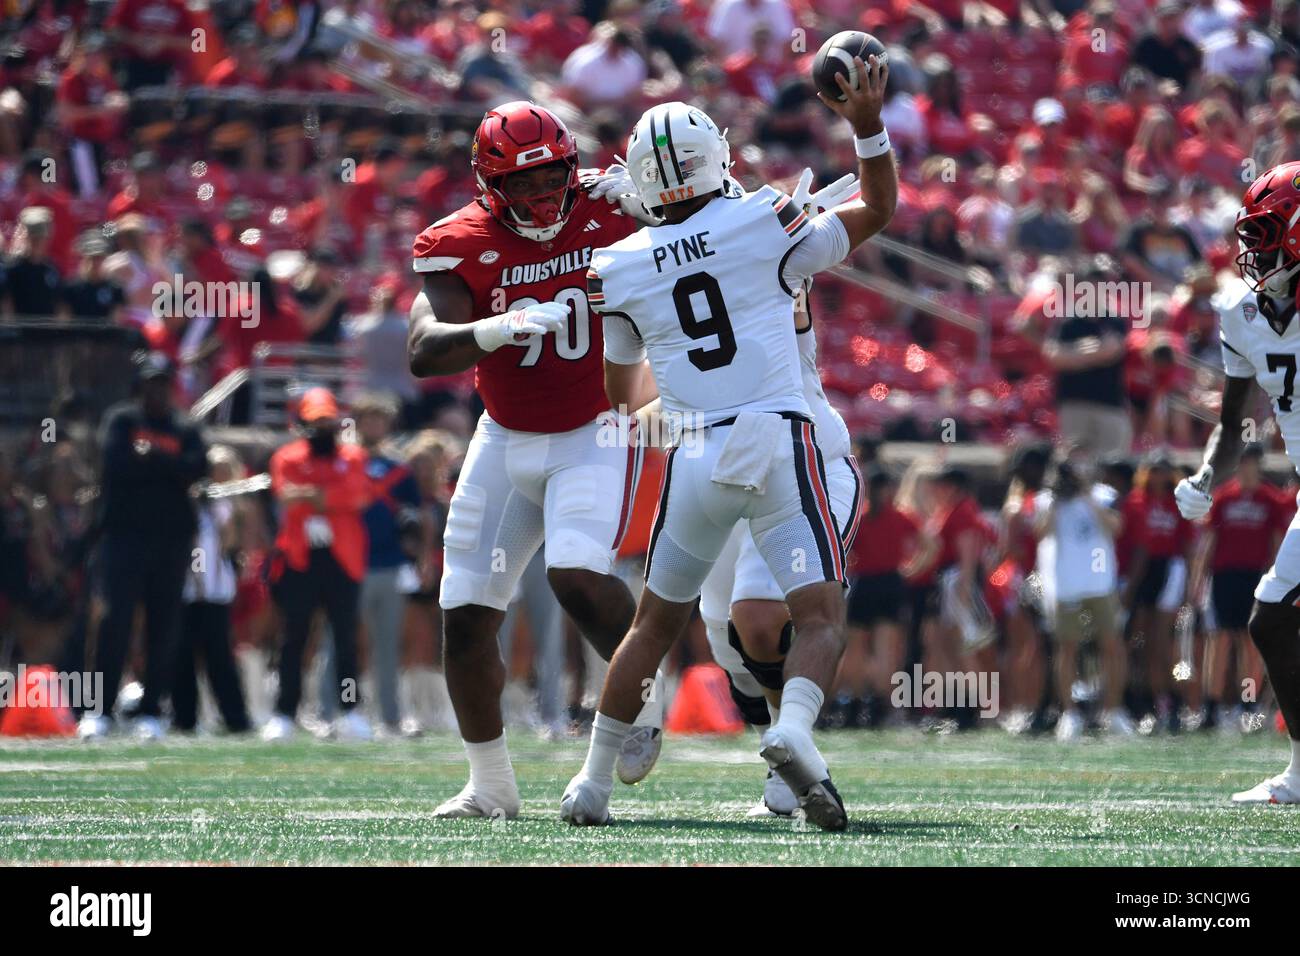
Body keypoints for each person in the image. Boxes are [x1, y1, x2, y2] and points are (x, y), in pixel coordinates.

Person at [563, 52, 896, 830]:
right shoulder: (766, 217)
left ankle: (592, 784)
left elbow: (622, 397)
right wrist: (868, 127)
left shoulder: (615, 266)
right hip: (780, 439)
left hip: (696, 453)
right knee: (817, 616)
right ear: (720, 156)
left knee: (653, 626)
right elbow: (874, 210)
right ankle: (793, 731)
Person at [406, 101, 662, 819]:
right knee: (464, 614)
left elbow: (719, 252)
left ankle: (641, 695)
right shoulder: (457, 241)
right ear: (489, 185)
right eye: (521, 184)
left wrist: (659, 213)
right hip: (506, 434)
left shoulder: (612, 210)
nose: (542, 195)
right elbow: (424, 350)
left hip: (595, 428)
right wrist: (497, 326)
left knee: (576, 573)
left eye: (552, 175)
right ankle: (490, 786)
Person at [690, 168, 863, 816]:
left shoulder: (774, 272)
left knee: (763, 621)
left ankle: (792, 738)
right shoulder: (666, 273)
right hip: (719, 467)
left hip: (802, 456)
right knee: (728, 641)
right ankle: (779, 730)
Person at [1176, 160, 1300, 799]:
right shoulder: (1241, 316)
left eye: (1266, 232)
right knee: (1270, 620)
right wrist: (1206, 477)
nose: (1251, 249)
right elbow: (1232, 422)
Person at [79, 352, 208, 739]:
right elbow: (117, 464)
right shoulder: (121, 420)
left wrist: (153, 458)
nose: (157, 390)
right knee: (113, 623)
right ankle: (99, 709)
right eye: (151, 383)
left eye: (163, 383)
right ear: (140, 386)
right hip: (123, 539)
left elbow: (195, 468)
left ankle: (152, 710)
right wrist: (169, 466)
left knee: (163, 626)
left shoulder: (185, 427)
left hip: (171, 541)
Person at [263, 387, 374, 742]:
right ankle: (284, 712)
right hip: (300, 557)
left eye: (328, 421)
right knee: (293, 638)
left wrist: (313, 494)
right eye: (316, 422)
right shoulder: (287, 456)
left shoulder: (353, 456)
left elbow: (356, 495)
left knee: (344, 639)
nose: (323, 428)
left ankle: (349, 709)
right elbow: (285, 495)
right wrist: (327, 496)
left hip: (342, 559)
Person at [1034, 455, 1132, 740]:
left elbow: (1115, 528)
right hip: (1067, 586)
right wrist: (1055, 497)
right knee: (1067, 648)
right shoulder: (1048, 500)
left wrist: (1087, 494)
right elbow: (1040, 533)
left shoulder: (1103, 495)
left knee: (1112, 645)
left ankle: (1113, 711)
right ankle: (1070, 713)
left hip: (1100, 582)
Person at [1189, 443, 1280, 732]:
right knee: (1221, 640)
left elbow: (1277, 544)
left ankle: (1248, 705)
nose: (1245, 467)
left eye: (1249, 461)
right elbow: (1209, 543)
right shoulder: (1223, 497)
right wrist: (1198, 579)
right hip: (1225, 576)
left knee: (1250, 643)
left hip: (1255, 576)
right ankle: (1212, 707)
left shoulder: (1270, 499)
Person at [174, 446, 252, 735]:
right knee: (182, 655)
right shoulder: (189, 503)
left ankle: (235, 717)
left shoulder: (228, 506)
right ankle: (184, 718)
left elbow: (231, 541)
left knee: (220, 656)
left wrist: (220, 504)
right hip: (186, 591)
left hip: (215, 591)